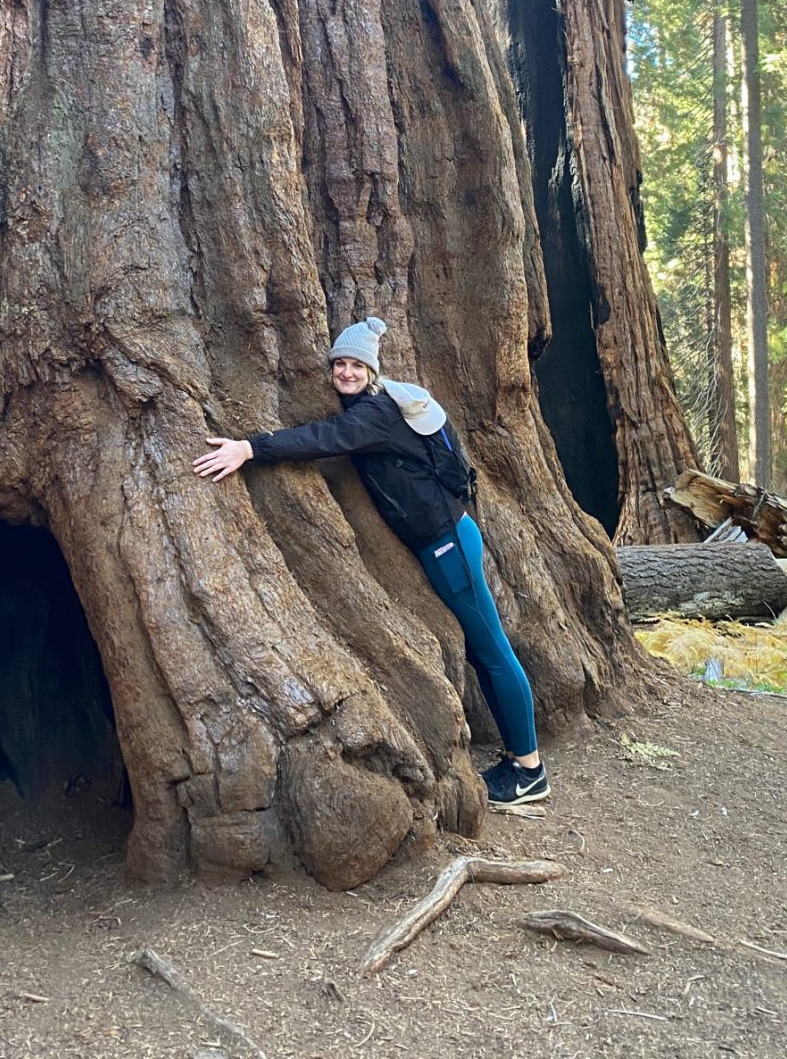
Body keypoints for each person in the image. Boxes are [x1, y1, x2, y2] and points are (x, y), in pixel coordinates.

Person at [192, 316, 548, 811]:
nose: (346, 372)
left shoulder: (376, 413)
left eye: (356, 364)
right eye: (339, 363)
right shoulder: (383, 405)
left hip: (448, 543)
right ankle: (516, 760)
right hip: (442, 540)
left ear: (372, 369)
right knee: (482, 650)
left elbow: (324, 437)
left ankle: (529, 771)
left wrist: (251, 447)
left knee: (492, 650)